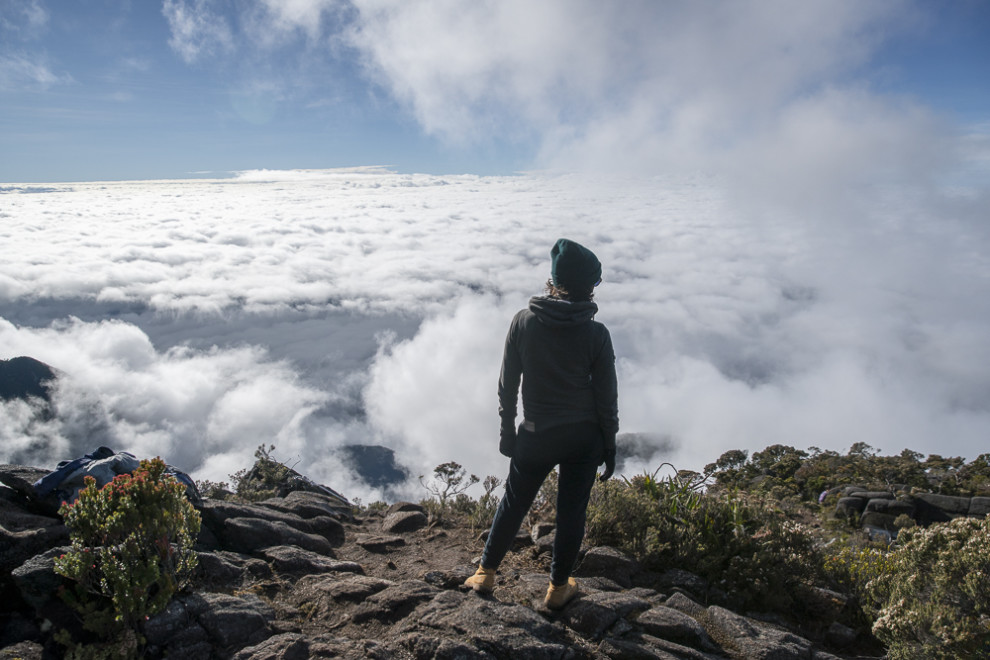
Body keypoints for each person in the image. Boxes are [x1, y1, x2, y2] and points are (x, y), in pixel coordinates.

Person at [463, 238, 619, 610]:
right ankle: (558, 588)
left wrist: (506, 429)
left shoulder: (523, 321)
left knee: (514, 502)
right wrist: (609, 445)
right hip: (583, 439)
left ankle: (484, 573)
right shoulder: (596, 335)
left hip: (535, 433)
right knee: (571, 514)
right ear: (587, 286)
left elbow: (507, 384)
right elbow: (606, 399)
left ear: (553, 280)